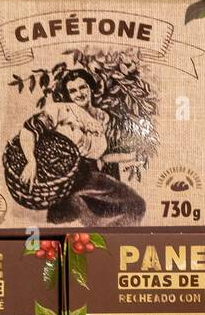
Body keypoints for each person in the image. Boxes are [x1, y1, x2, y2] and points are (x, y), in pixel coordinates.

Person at [16, 67, 147, 225]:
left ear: (91, 87)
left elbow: (103, 157)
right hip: (67, 179)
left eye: (82, 87)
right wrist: (31, 161)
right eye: (73, 91)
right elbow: (28, 130)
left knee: (133, 206)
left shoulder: (103, 118)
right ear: (68, 95)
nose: (79, 94)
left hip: (93, 177)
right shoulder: (61, 110)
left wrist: (134, 156)